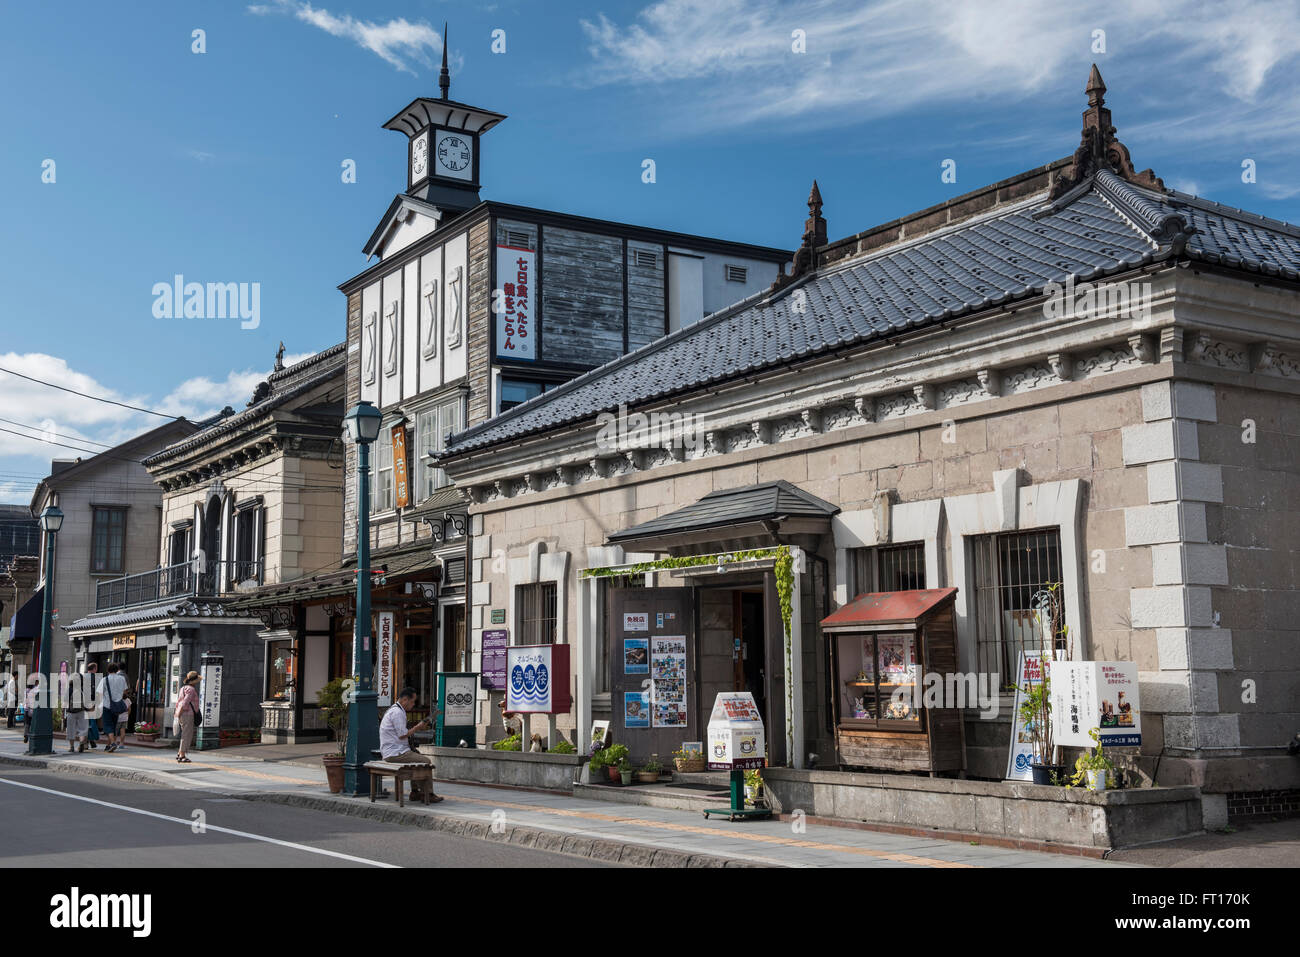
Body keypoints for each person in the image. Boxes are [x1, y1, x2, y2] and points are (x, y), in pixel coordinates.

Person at [378, 687, 442, 803]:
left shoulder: (395, 710)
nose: (413, 705)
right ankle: (428, 793)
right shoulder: (397, 712)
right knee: (425, 761)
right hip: (395, 752)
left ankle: (415, 792)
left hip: (394, 750)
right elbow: (402, 735)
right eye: (412, 702)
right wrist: (418, 727)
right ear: (405, 700)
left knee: (416, 758)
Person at [96, 662, 128, 752]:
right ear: (117, 670)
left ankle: (113, 743)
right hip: (117, 706)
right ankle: (108, 745)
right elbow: (125, 691)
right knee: (113, 726)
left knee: (108, 726)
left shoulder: (105, 679)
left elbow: (99, 693)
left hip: (107, 705)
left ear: (108, 670)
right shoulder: (122, 679)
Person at [174, 671, 201, 763]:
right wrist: (180, 713)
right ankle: (182, 755)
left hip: (181, 713)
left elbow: (179, 702)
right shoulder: (191, 690)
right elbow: (185, 702)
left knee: (184, 733)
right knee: (187, 734)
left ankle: (179, 753)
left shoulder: (183, 688)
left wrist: (177, 714)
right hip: (187, 714)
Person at [64, 669, 90, 753]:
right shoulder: (83, 689)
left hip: (71, 712)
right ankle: (81, 743)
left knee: (71, 730)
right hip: (82, 711)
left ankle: (71, 747)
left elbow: (65, 702)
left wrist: (63, 713)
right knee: (83, 729)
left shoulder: (69, 689)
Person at [84, 662, 101, 749]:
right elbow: (98, 692)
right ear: (94, 669)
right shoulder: (97, 678)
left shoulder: (82, 677)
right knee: (92, 722)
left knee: (86, 723)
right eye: (96, 668)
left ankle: (88, 741)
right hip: (93, 703)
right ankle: (93, 738)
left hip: (84, 703)